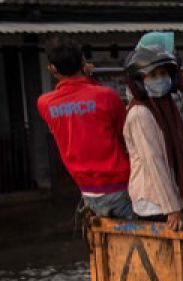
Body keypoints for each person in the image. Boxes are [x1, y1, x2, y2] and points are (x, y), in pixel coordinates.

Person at [36, 39, 133, 218]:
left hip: (87, 191)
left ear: (52, 69)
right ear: (83, 62)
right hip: (121, 186)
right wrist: (89, 78)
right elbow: (126, 134)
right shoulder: (106, 95)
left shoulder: (45, 103)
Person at [121, 48, 183, 230]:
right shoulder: (141, 113)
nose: (160, 79)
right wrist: (172, 207)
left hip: (171, 196)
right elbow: (154, 163)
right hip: (155, 202)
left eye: (163, 73)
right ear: (139, 81)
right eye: (153, 75)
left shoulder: (167, 105)